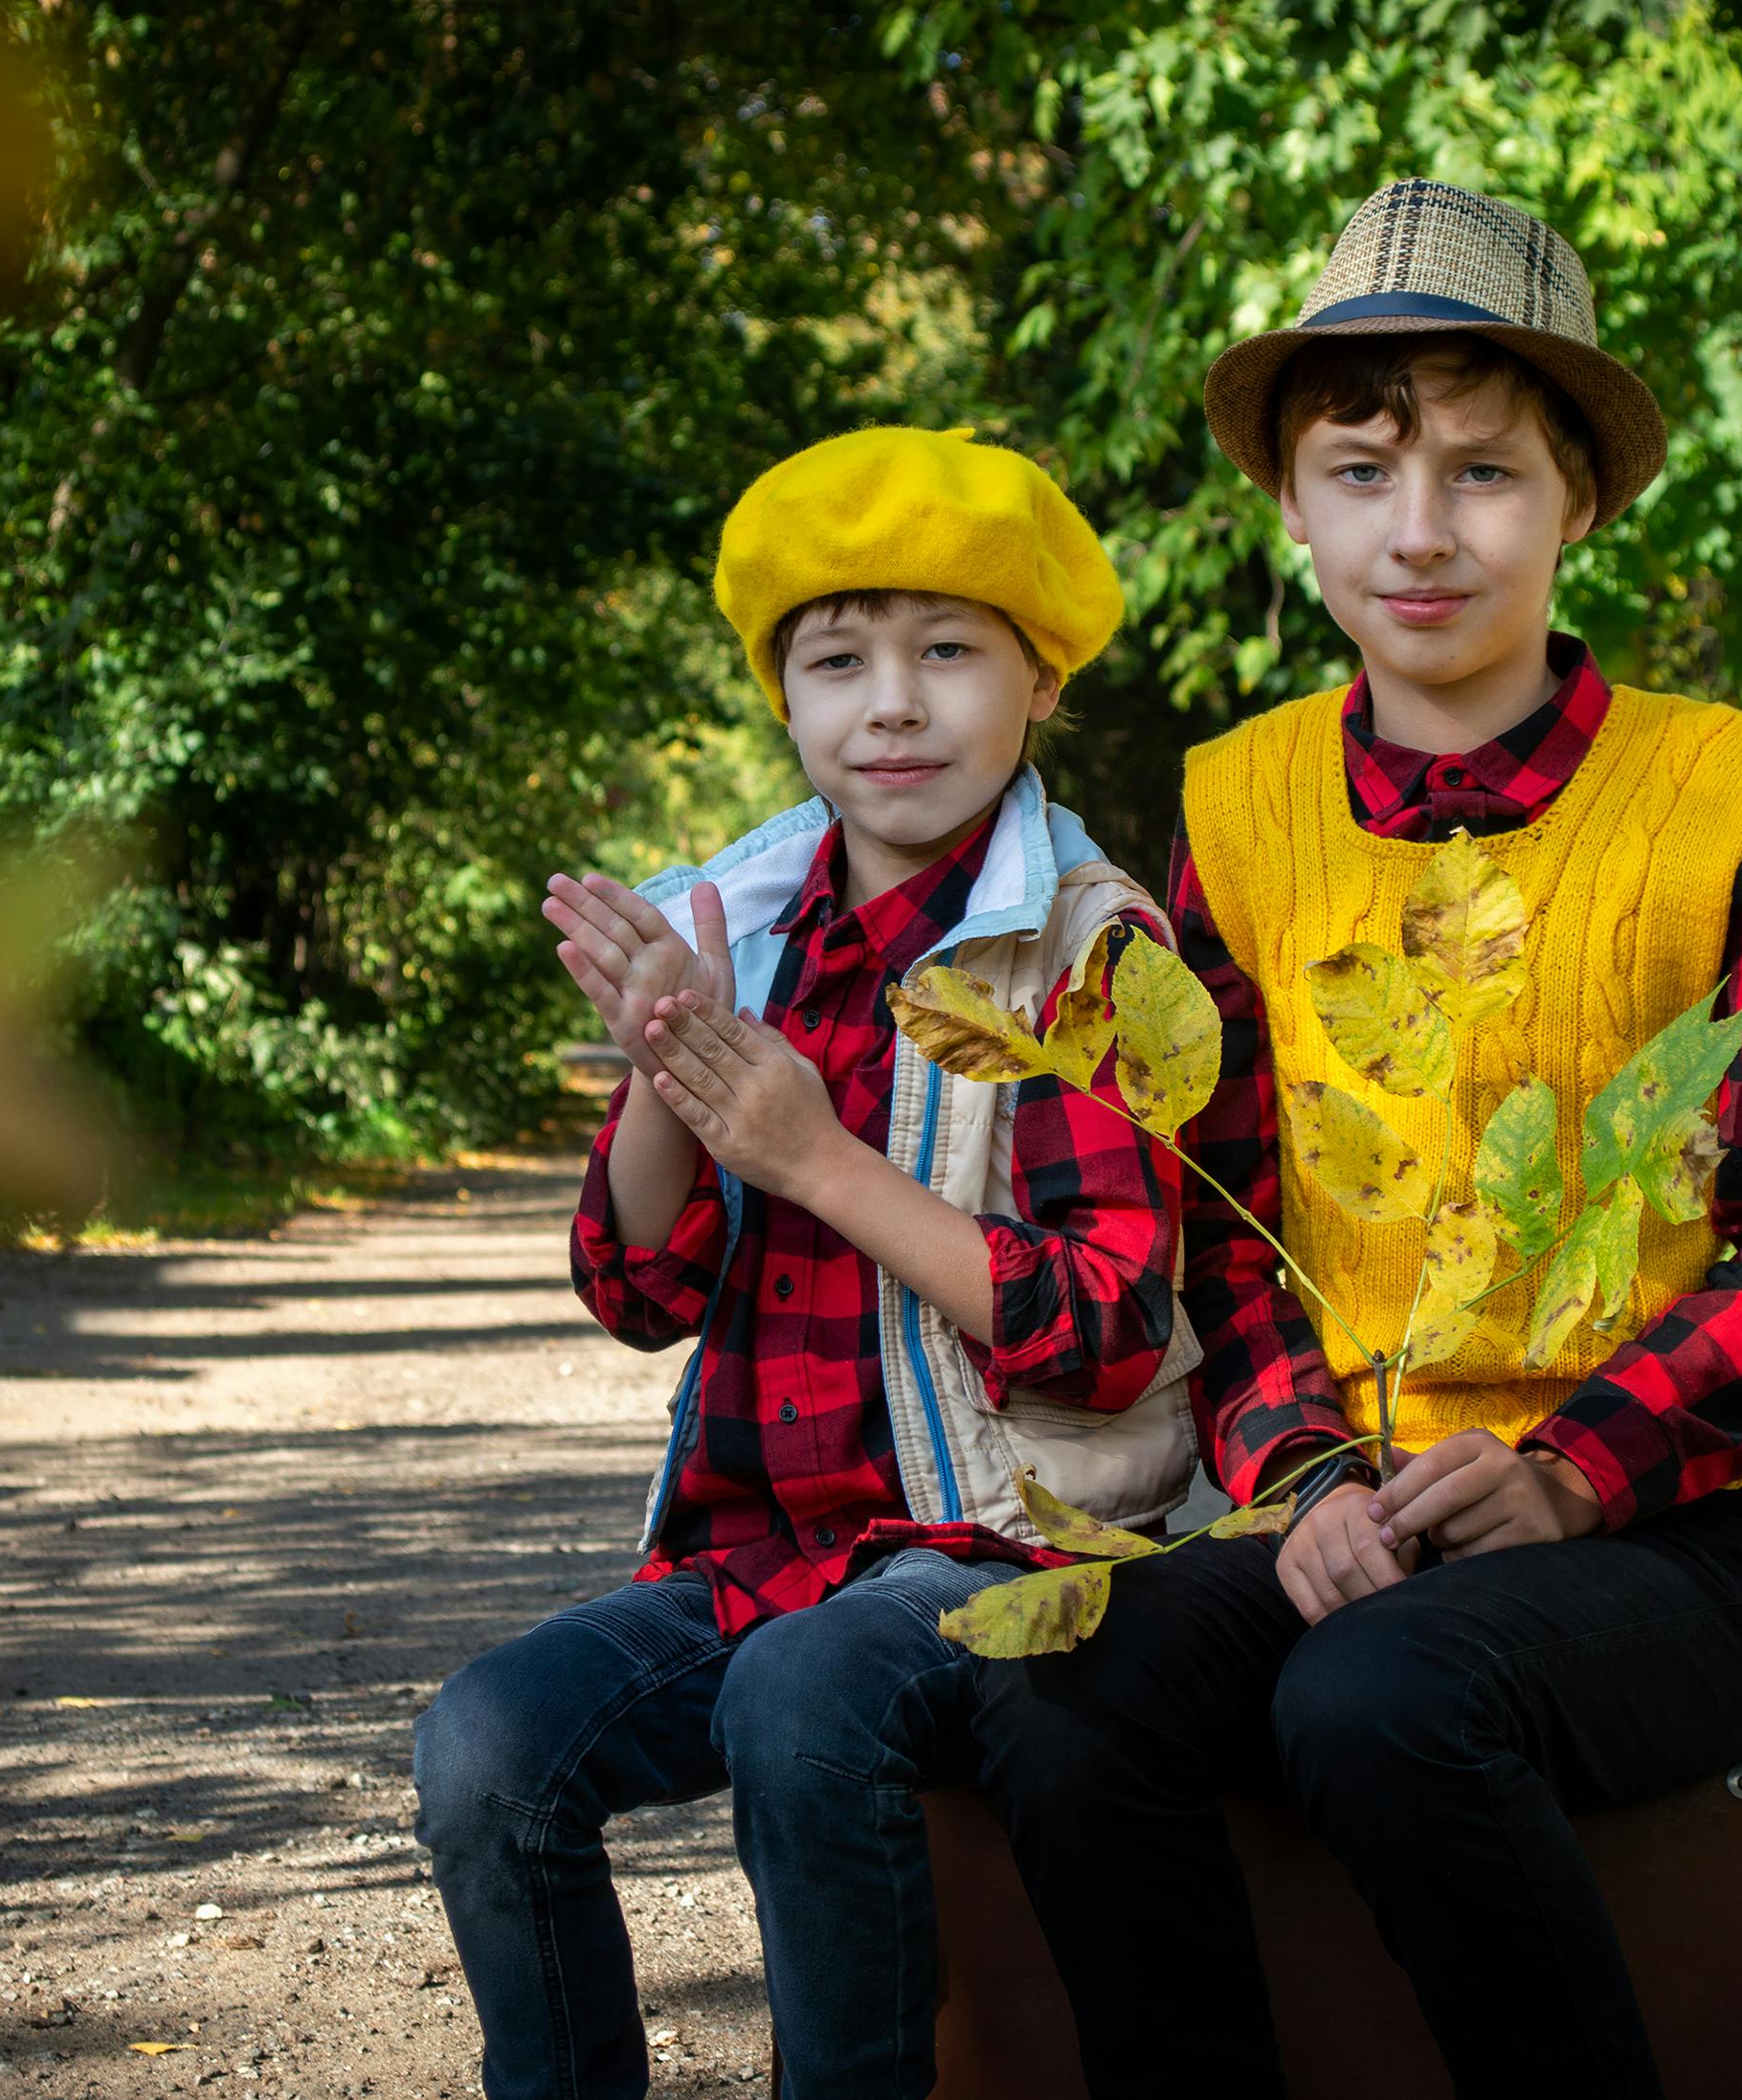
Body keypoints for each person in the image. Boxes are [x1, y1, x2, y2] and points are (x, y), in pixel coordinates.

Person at [971, 179, 1742, 2098]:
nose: (1419, 529)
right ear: (1292, 507)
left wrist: (1574, 1468)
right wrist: (1309, 1473)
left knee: (1377, 1694)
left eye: (1484, 472)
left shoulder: (1727, 798)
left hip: (1653, 1547)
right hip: (1337, 1514)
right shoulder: (1237, 809)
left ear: (1580, 503)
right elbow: (1219, 1220)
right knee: (1058, 1685)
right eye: (1362, 471)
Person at [412, 425, 1209, 2100]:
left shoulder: (1088, 945)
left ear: (1042, 681)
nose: (891, 707)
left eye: (949, 653)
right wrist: (666, 1064)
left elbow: (1113, 1324)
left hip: (1001, 1548)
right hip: (761, 1556)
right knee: (486, 1743)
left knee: (799, 1696)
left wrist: (820, 1159)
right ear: (783, 697)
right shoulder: (747, 928)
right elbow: (639, 1294)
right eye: (837, 662)